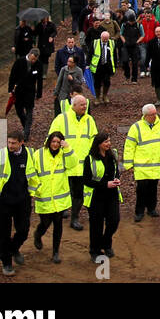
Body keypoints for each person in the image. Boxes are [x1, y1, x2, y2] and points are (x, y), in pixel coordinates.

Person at [48, 94, 97, 231]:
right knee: (63, 190)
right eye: (82, 104)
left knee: (79, 193)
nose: (84, 107)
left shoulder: (89, 120)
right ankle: (61, 210)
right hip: (64, 164)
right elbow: (52, 139)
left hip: (81, 165)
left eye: (85, 104)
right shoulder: (61, 119)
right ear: (73, 106)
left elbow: (94, 139)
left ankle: (74, 218)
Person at [0, 130, 32, 276]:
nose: (10, 145)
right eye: (9, 142)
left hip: (23, 200)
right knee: (4, 233)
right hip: (5, 202)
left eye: (13, 143)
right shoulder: (0, 155)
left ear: (21, 142)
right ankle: (6, 262)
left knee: (23, 230)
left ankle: (13, 249)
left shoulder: (30, 155)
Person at [26, 130, 73, 264]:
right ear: (49, 141)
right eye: (53, 141)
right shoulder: (39, 154)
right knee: (45, 222)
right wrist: (36, 188)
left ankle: (55, 252)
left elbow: (73, 164)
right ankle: (38, 234)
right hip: (44, 195)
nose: (55, 144)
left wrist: (68, 148)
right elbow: (30, 171)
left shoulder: (64, 154)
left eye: (58, 142)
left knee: (58, 224)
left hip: (59, 197)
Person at [123, 103, 160, 222]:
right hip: (142, 166)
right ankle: (139, 211)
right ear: (145, 115)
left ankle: (151, 209)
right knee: (141, 190)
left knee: (153, 188)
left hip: (156, 164)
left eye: (155, 113)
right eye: (152, 114)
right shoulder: (136, 128)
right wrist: (129, 164)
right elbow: (129, 147)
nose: (155, 116)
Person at [82, 132, 122, 263]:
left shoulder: (113, 154)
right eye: (105, 142)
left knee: (114, 221)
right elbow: (87, 180)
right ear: (98, 144)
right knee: (96, 226)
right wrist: (105, 184)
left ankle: (106, 243)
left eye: (109, 141)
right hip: (96, 197)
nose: (109, 144)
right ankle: (95, 251)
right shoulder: (90, 159)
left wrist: (116, 179)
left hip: (112, 195)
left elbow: (117, 170)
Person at [7, 48, 43, 139]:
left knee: (29, 111)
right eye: (32, 59)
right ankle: (25, 125)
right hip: (19, 91)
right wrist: (10, 90)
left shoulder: (38, 64)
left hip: (30, 92)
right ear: (29, 54)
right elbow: (12, 76)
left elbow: (39, 80)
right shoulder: (19, 62)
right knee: (19, 111)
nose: (33, 61)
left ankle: (26, 133)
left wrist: (39, 93)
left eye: (35, 59)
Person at [90, 29, 117, 105]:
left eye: (106, 39)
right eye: (104, 39)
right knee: (97, 82)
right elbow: (90, 54)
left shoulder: (112, 43)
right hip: (97, 66)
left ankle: (105, 95)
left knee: (107, 81)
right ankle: (97, 97)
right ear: (101, 37)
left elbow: (114, 55)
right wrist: (87, 65)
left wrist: (115, 65)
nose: (105, 41)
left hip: (107, 66)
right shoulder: (95, 43)